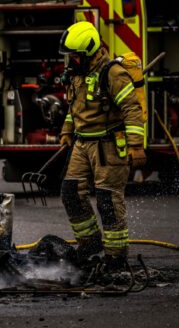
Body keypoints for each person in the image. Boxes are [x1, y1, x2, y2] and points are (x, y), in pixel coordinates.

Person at [58, 21, 146, 271]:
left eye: (74, 55)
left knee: (108, 200)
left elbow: (131, 109)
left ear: (89, 51)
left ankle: (116, 257)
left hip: (108, 145)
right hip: (82, 144)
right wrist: (67, 131)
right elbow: (74, 107)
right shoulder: (78, 74)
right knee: (70, 192)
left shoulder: (113, 74)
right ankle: (90, 243)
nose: (70, 60)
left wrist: (136, 146)